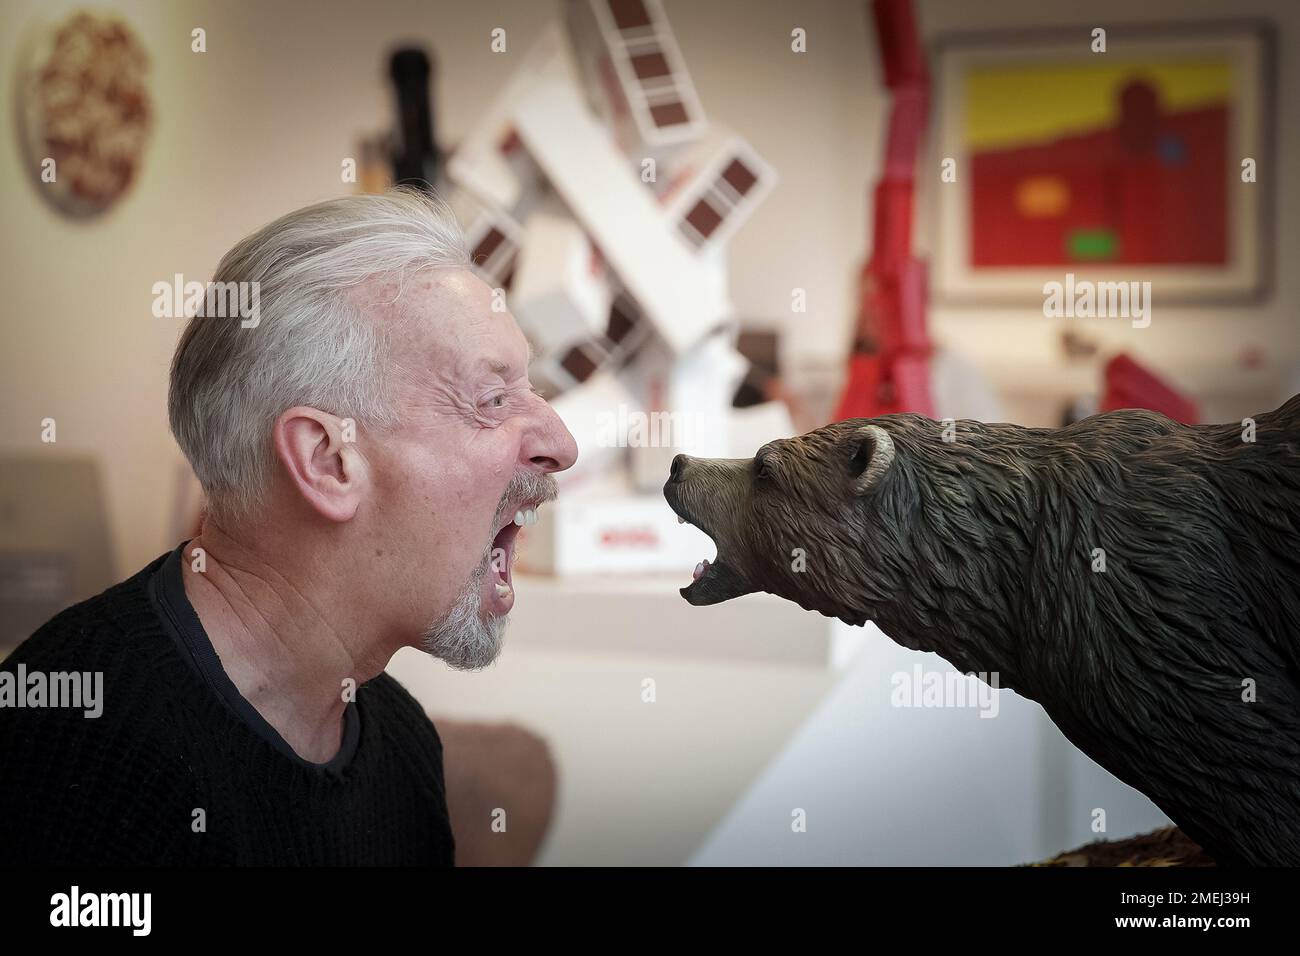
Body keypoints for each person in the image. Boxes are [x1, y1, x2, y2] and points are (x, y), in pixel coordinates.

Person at [0, 189, 578, 864]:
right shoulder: (76, 745)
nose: (561, 443)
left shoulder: (401, 744)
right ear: (327, 461)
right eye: (493, 399)